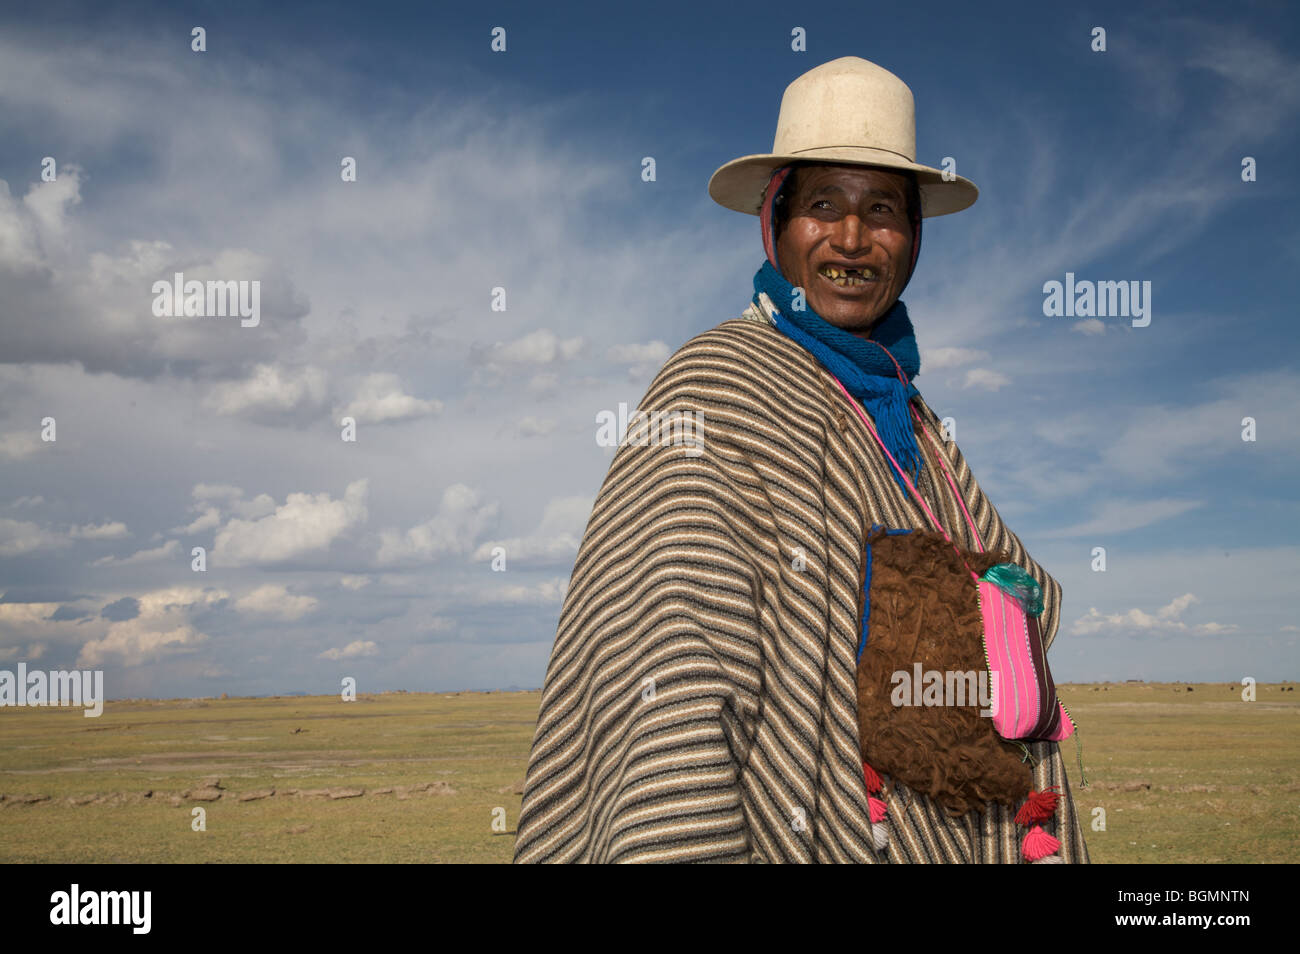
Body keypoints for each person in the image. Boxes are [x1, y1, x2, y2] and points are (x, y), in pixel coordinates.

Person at [512, 56, 1089, 863]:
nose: (852, 238)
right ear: (776, 224)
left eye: (883, 209)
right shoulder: (715, 389)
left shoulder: (906, 414)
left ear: (914, 238)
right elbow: (668, 670)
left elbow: (1005, 603)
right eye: (824, 204)